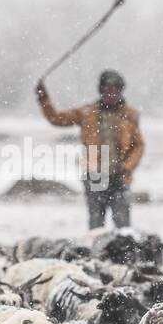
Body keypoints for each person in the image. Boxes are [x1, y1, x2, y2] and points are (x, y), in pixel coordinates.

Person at [35, 69, 144, 229]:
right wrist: (43, 97)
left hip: (120, 177)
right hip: (95, 175)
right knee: (96, 226)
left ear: (121, 91)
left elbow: (138, 146)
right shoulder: (87, 113)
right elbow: (56, 119)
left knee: (123, 227)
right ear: (101, 90)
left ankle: (121, 253)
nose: (111, 94)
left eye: (115, 90)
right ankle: (96, 253)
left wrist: (127, 167)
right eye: (107, 89)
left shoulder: (130, 115)